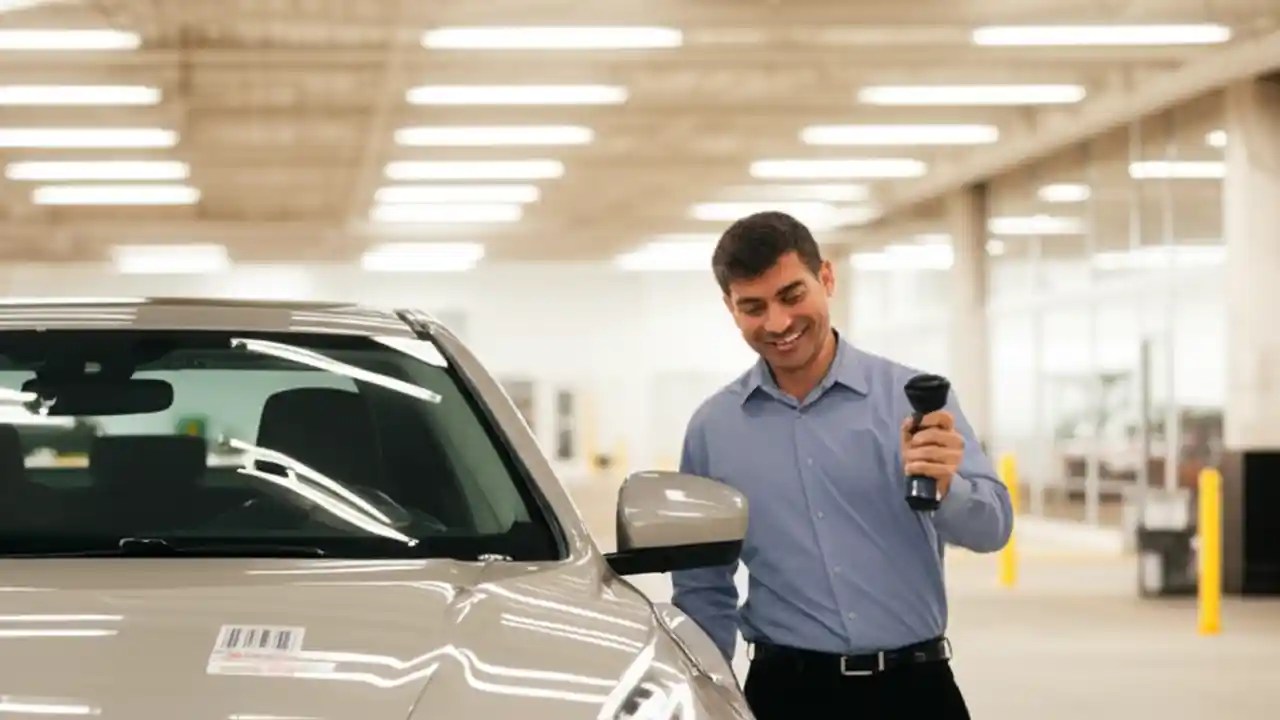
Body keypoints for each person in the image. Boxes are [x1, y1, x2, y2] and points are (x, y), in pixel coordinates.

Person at [671, 211, 1013, 719]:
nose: (779, 323)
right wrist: (707, 694)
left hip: (915, 692)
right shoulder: (713, 429)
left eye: (791, 295)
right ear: (730, 307)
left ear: (826, 278)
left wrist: (947, 487)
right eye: (753, 307)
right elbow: (701, 587)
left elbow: (993, 529)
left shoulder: (912, 400)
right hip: (785, 696)